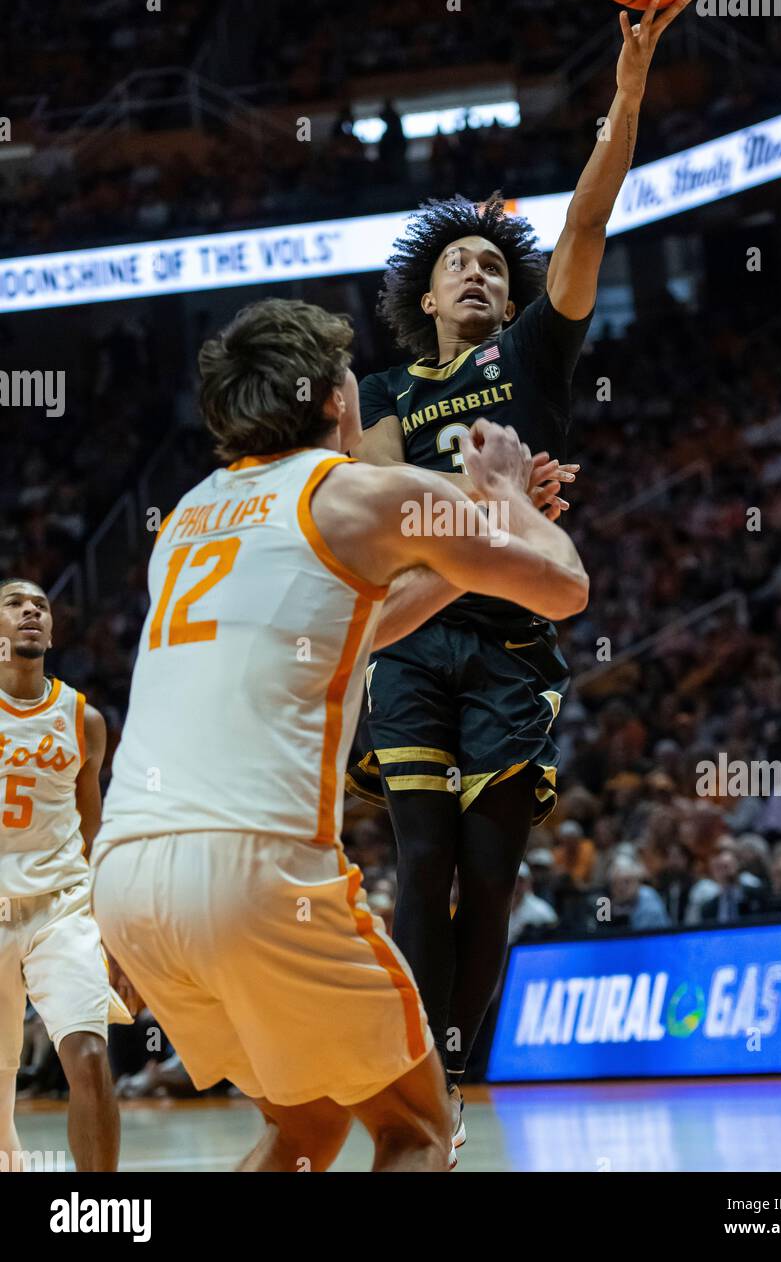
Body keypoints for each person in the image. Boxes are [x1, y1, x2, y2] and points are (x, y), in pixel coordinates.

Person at [90, 298, 588, 1173]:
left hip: (131, 879)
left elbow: (356, 622)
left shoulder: (188, 519)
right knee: (417, 1129)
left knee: (304, 1129)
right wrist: (508, 498)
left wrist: (471, 525)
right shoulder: (355, 490)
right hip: (252, 874)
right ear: (329, 397)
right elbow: (561, 587)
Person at [347, 0, 691, 1141]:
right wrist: (487, 503)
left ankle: (446, 1068)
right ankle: (419, 1084)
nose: (483, 274)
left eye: (498, 261)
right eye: (462, 266)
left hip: (511, 629)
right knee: (421, 852)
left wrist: (626, 91)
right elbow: (373, 512)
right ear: (426, 296)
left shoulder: (536, 346)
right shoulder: (386, 396)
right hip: (417, 632)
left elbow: (588, 223)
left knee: (490, 869)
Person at [0, 578, 131, 1171]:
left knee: (88, 1056)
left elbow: (94, 833)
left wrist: (116, 933)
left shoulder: (84, 719)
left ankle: (99, 1212)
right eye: (14, 603)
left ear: (51, 630)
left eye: (41, 606)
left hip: (62, 906)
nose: (30, 611)